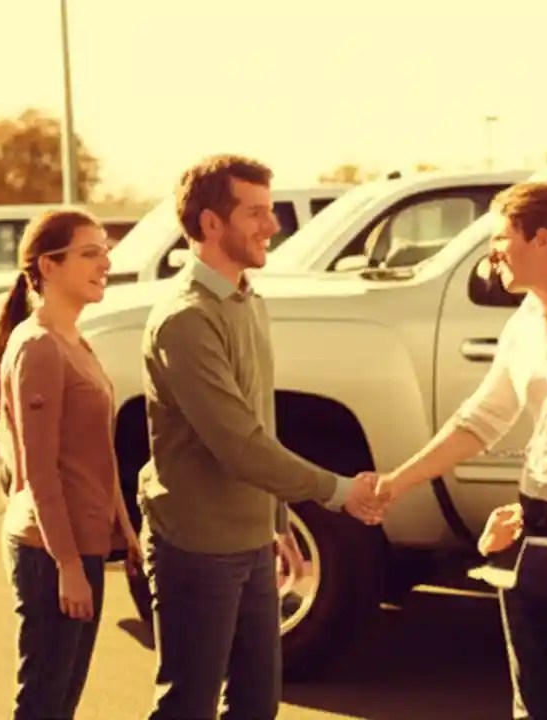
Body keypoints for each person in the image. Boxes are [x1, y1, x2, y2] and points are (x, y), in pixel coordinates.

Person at [375, 182, 547, 720]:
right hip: (532, 523)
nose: (492, 257)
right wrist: (394, 484)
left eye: (500, 240)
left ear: (542, 239)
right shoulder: (522, 322)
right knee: (535, 696)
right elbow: (482, 418)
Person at [138, 154, 382, 720]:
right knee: (188, 707)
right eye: (256, 213)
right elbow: (239, 443)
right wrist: (340, 492)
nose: (272, 226)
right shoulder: (186, 319)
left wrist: (273, 520)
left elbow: (260, 420)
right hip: (197, 545)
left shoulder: (248, 300)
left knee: (255, 705)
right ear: (210, 225)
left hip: (249, 541)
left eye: (269, 211)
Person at [0, 209, 143, 720]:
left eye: (105, 250)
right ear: (48, 266)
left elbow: (97, 451)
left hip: (83, 543)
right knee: (43, 704)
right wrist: (69, 566)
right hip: (49, 552)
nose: (105, 262)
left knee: (62, 702)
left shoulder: (76, 340)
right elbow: (39, 471)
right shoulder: (38, 348)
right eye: (89, 252)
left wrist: (124, 529)